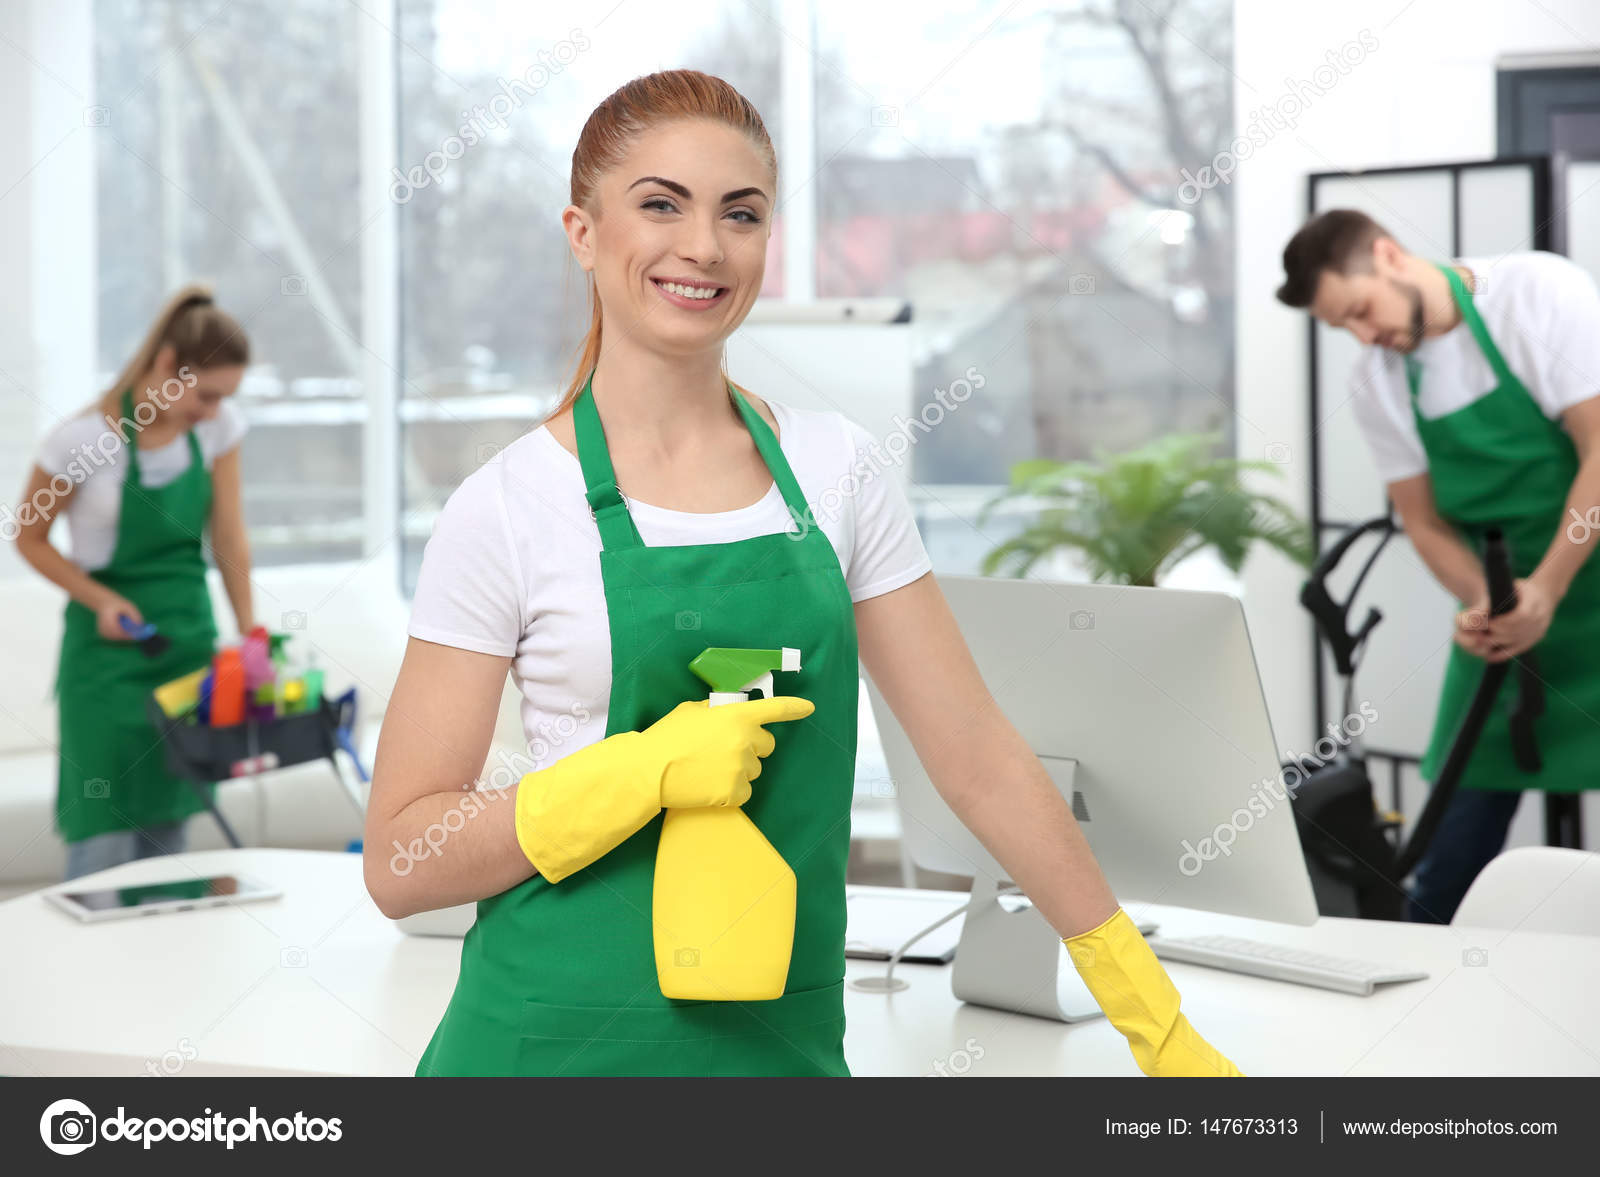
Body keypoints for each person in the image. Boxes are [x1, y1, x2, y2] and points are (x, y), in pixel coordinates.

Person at [367, 69, 1239, 1078]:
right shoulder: (508, 507)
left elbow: (979, 758)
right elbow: (400, 859)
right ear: (582, 232)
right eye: (660, 204)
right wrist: (630, 775)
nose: (702, 246)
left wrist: (1147, 1010)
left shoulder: (836, 470)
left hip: (776, 1045)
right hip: (542, 1046)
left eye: (740, 214)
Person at [1277, 209, 1600, 922]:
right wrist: (1488, 606)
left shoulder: (1537, 295)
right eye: (1344, 328)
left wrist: (1548, 586)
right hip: (1513, 618)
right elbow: (1422, 522)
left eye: (1361, 311)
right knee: (1448, 857)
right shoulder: (1383, 382)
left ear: (1389, 256)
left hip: (1583, 582)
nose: (1365, 337)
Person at [15, 286, 254, 880]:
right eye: (207, 394)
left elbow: (228, 537)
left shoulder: (218, 433)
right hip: (105, 664)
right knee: (100, 840)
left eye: (225, 398)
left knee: (169, 835)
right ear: (170, 365)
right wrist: (98, 597)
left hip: (185, 651)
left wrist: (249, 633)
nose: (214, 409)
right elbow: (28, 536)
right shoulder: (80, 442)